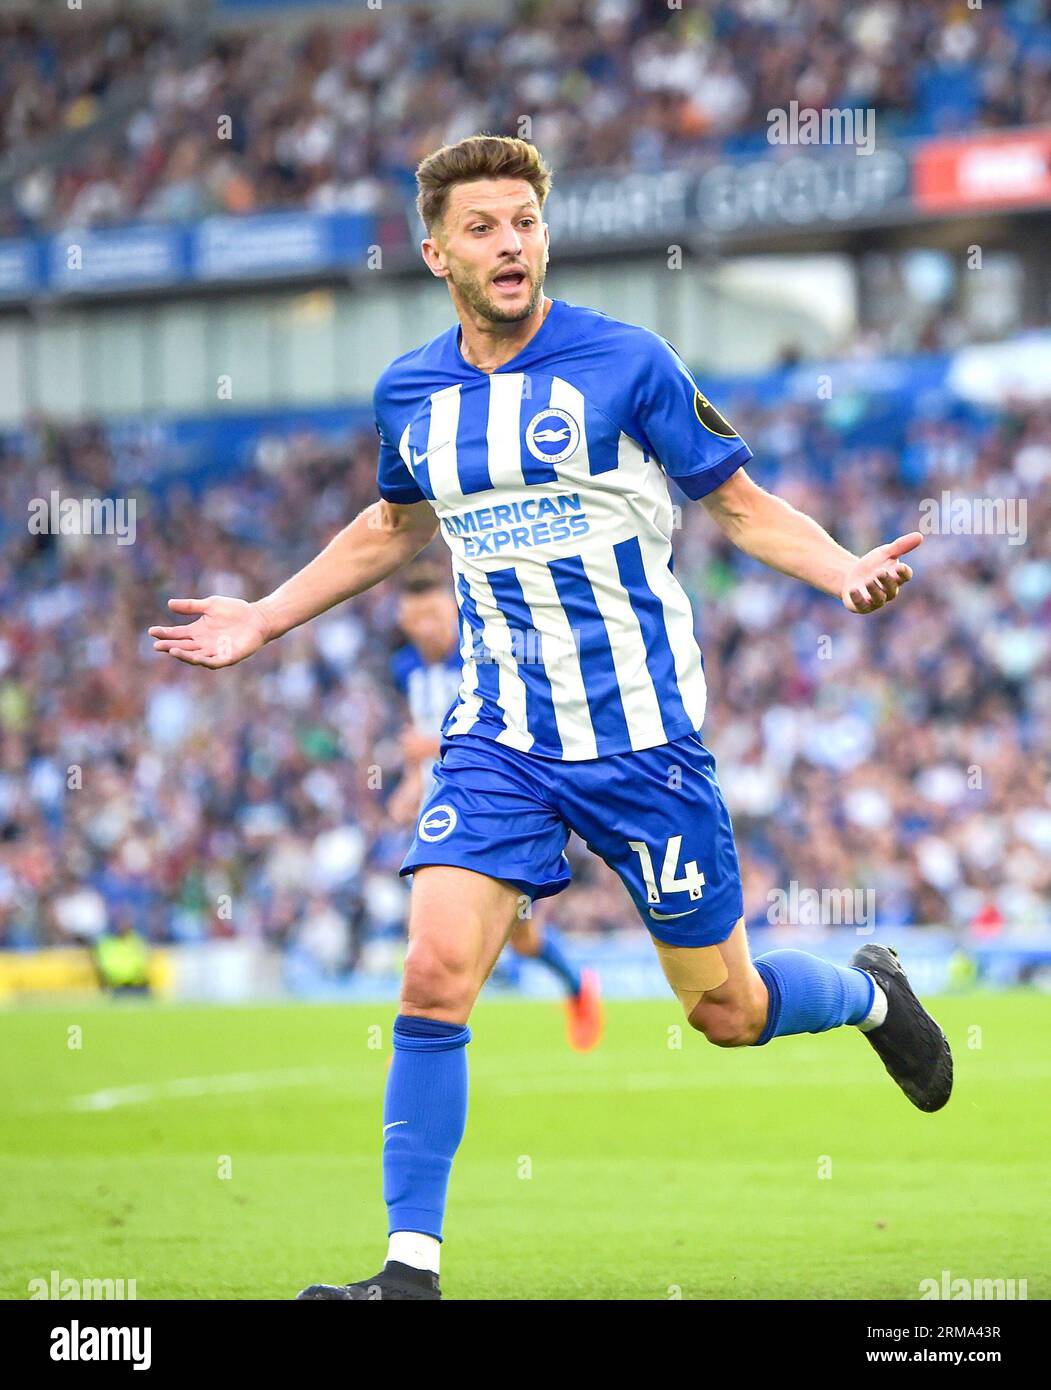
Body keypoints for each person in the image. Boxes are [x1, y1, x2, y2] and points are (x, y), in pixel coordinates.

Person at [148, 135, 952, 1303]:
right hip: (501, 740)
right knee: (431, 974)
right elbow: (390, 527)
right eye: (481, 226)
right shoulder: (411, 392)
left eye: (523, 220)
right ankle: (407, 1272)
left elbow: (734, 502)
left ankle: (872, 992)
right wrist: (265, 617)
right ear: (436, 253)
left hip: (642, 743)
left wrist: (840, 572)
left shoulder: (626, 363)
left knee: (726, 1012)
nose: (510, 242)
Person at [388, 562, 602, 1048]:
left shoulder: (484, 649)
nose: (423, 628)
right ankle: (425, 1033)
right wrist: (407, 784)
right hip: (442, 808)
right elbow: (419, 736)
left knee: (519, 939)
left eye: (432, 615)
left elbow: (512, 714)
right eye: (413, 619)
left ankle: (577, 988)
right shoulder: (405, 669)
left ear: (454, 611)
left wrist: (432, 744)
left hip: (498, 804)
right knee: (433, 932)